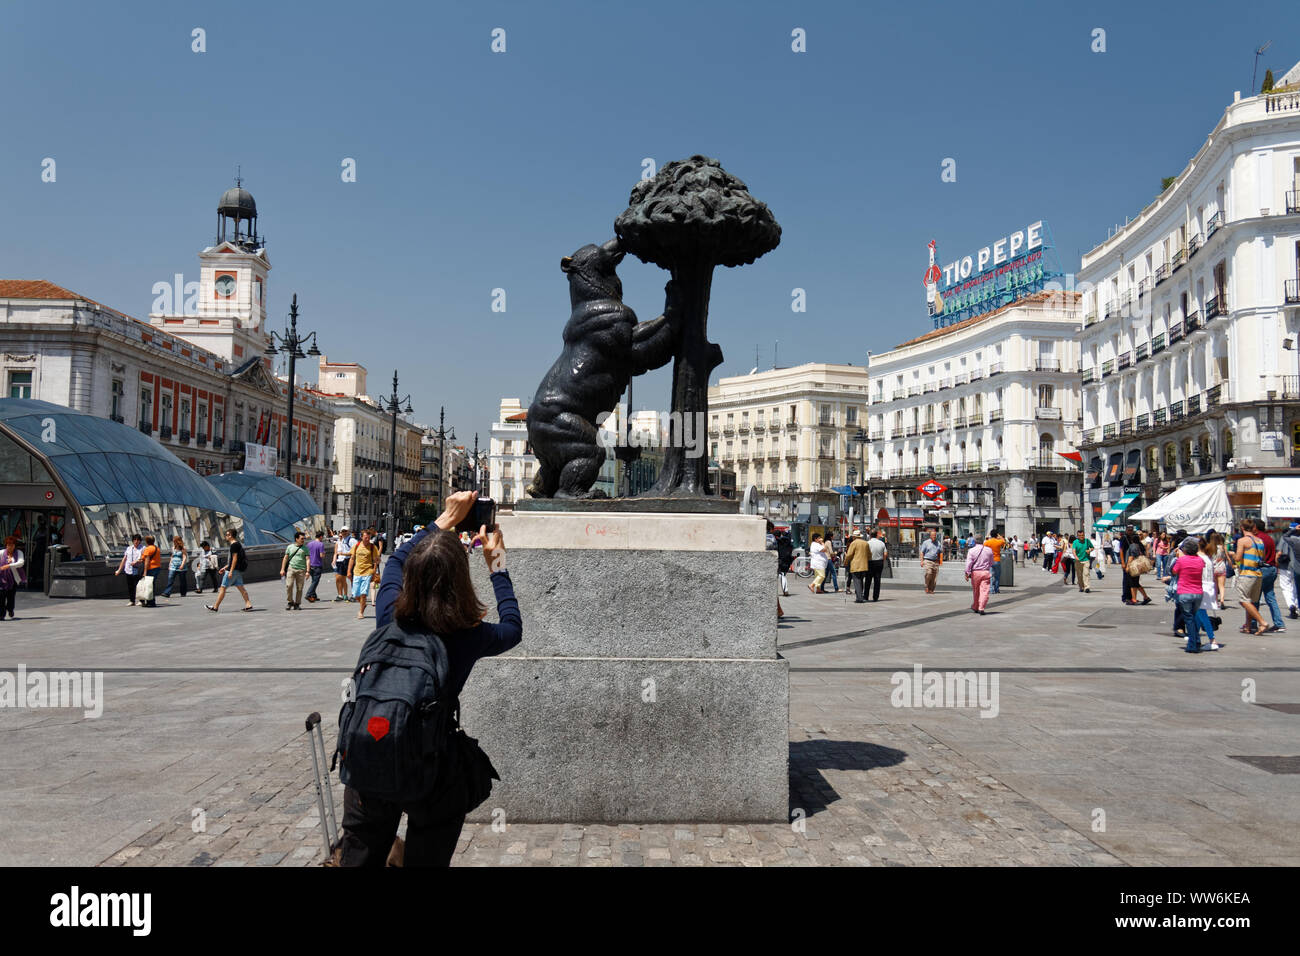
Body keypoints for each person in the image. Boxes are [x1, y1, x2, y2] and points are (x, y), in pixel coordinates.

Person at [338, 490, 520, 867]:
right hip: (432, 767)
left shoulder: (389, 613)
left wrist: (443, 521)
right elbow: (513, 627)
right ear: (460, 580)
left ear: (411, 578)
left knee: (360, 856)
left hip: (371, 754)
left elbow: (396, 560)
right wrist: (496, 562)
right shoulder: (469, 635)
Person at [1167, 537, 1208, 653]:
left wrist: (1177, 558)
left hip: (1185, 592)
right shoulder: (1200, 560)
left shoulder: (1181, 561)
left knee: (1188, 619)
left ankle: (1192, 645)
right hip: (1198, 593)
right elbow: (1202, 566)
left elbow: (1173, 572)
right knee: (1194, 617)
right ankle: (1197, 640)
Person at [1232, 520, 1271, 634]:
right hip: (1258, 574)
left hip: (1247, 574)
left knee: (1243, 600)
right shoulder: (1260, 541)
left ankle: (1262, 622)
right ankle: (1248, 627)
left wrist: (1232, 554)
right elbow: (1262, 558)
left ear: (1242, 528)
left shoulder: (1242, 541)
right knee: (1251, 601)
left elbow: (1238, 558)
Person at [206, 528, 253, 612]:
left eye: (227, 535)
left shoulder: (234, 545)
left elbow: (235, 559)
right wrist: (225, 567)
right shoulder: (238, 544)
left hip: (233, 571)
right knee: (241, 588)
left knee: (223, 588)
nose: (226, 537)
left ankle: (215, 607)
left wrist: (230, 571)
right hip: (237, 570)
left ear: (230, 536)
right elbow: (233, 560)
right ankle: (248, 604)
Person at [1253, 519, 1286, 632]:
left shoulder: (1258, 539)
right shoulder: (1269, 538)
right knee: (1270, 597)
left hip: (1263, 569)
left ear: (1255, 528)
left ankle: (1253, 623)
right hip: (1272, 568)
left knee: (1255, 597)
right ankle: (1279, 623)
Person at [349, 529, 382, 619]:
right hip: (357, 572)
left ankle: (361, 612)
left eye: (369, 538)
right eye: (366, 537)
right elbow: (352, 559)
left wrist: (374, 570)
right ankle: (363, 604)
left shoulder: (372, 547)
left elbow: (376, 560)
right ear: (362, 537)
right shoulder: (356, 546)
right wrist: (349, 571)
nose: (367, 539)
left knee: (363, 593)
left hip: (368, 572)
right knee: (355, 594)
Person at [964, 533, 994, 614]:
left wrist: (967, 573)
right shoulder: (989, 550)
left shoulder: (971, 550)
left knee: (976, 591)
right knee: (984, 591)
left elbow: (968, 563)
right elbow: (991, 563)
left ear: (974, 541)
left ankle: (975, 606)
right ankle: (981, 607)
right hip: (985, 572)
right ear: (983, 540)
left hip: (975, 573)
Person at [281, 531, 310, 610]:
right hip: (291, 569)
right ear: (296, 539)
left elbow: (307, 559)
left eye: (304, 539)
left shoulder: (305, 548)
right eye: (301, 539)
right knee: (289, 586)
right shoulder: (290, 547)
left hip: (301, 570)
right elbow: (285, 558)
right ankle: (290, 601)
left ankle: (297, 603)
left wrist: (308, 571)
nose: (303, 540)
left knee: (299, 588)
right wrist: (282, 569)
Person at [0, 536, 26, 620]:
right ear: (6, 545)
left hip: (13, 579)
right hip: (2, 579)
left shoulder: (19, 553)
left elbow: (21, 563)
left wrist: (9, 565)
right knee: (1, 597)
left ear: (15, 545)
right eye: (8, 545)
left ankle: (10, 609)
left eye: (12, 545)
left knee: (10, 597)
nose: (10, 547)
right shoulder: (1, 553)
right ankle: (1, 614)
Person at [115, 533, 145, 606]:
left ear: (140, 541)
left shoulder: (143, 548)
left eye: (138, 540)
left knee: (139, 586)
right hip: (128, 569)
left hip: (138, 569)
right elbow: (124, 559)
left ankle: (141, 600)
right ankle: (132, 600)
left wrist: (137, 562)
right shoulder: (129, 548)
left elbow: (143, 558)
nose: (136, 541)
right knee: (130, 586)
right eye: (134, 540)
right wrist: (119, 570)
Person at [1124, 531, 1151, 605]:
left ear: (1132, 540)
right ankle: (1145, 597)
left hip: (1133, 567)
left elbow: (1131, 557)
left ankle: (1134, 599)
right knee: (1136, 583)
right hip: (1138, 567)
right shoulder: (1140, 545)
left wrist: (1127, 566)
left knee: (1132, 584)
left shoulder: (1132, 546)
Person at [845, 530, 871, 603]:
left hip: (855, 565)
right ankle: (860, 596)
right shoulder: (866, 543)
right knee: (860, 581)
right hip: (864, 565)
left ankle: (859, 598)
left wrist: (846, 562)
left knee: (857, 581)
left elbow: (849, 554)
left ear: (854, 537)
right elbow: (869, 555)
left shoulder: (854, 543)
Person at [864, 530, 888, 602]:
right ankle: (875, 596)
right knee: (877, 580)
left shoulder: (867, 543)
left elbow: (865, 553)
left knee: (868, 580)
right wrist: (882, 561)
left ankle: (866, 596)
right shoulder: (882, 543)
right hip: (879, 562)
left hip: (870, 562)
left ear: (870, 535)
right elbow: (885, 554)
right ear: (877, 535)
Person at [139, 534, 162, 608]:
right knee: (151, 585)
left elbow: (147, 561)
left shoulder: (148, 549)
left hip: (150, 569)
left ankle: (150, 601)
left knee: (148, 586)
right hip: (157, 568)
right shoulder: (156, 548)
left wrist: (145, 571)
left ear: (147, 541)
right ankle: (151, 601)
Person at [304, 530, 327, 603]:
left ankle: (313, 596)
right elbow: (321, 555)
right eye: (322, 537)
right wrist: (324, 554)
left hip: (310, 565)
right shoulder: (321, 544)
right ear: (321, 536)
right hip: (317, 565)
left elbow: (306, 554)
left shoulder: (309, 544)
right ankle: (308, 594)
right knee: (315, 581)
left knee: (314, 580)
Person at [334, 528, 356, 602]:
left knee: (351, 577)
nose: (343, 533)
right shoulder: (343, 540)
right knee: (341, 577)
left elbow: (354, 552)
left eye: (345, 531)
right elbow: (336, 552)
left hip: (350, 560)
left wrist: (344, 554)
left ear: (348, 532)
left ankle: (354, 594)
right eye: (342, 531)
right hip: (342, 561)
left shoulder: (352, 540)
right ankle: (342, 595)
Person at [919, 528, 942, 594]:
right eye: (933, 535)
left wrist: (940, 561)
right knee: (929, 573)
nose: (934, 537)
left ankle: (931, 589)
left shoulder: (938, 543)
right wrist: (921, 561)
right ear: (930, 536)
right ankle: (926, 586)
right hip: (927, 560)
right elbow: (922, 552)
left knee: (934, 577)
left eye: (935, 535)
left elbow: (940, 552)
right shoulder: (926, 543)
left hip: (935, 561)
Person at [985, 529, 1006, 594]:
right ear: (996, 535)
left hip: (990, 560)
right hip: (997, 560)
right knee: (997, 576)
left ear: (991, 535)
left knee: (991, 575)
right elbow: (1003, 541)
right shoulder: (998, 541)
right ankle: (996, 589)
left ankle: (991, 589)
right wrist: (999, 535)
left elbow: (984, 544)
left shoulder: (988, 542)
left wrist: (988, 536)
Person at [775, 529, 794, 597]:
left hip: (779, 560)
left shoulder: (777, 541)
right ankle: (785, 590)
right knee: (783, 575)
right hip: (787, 560)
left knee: (778, 575)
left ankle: (776, 590)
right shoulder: (789, 542)